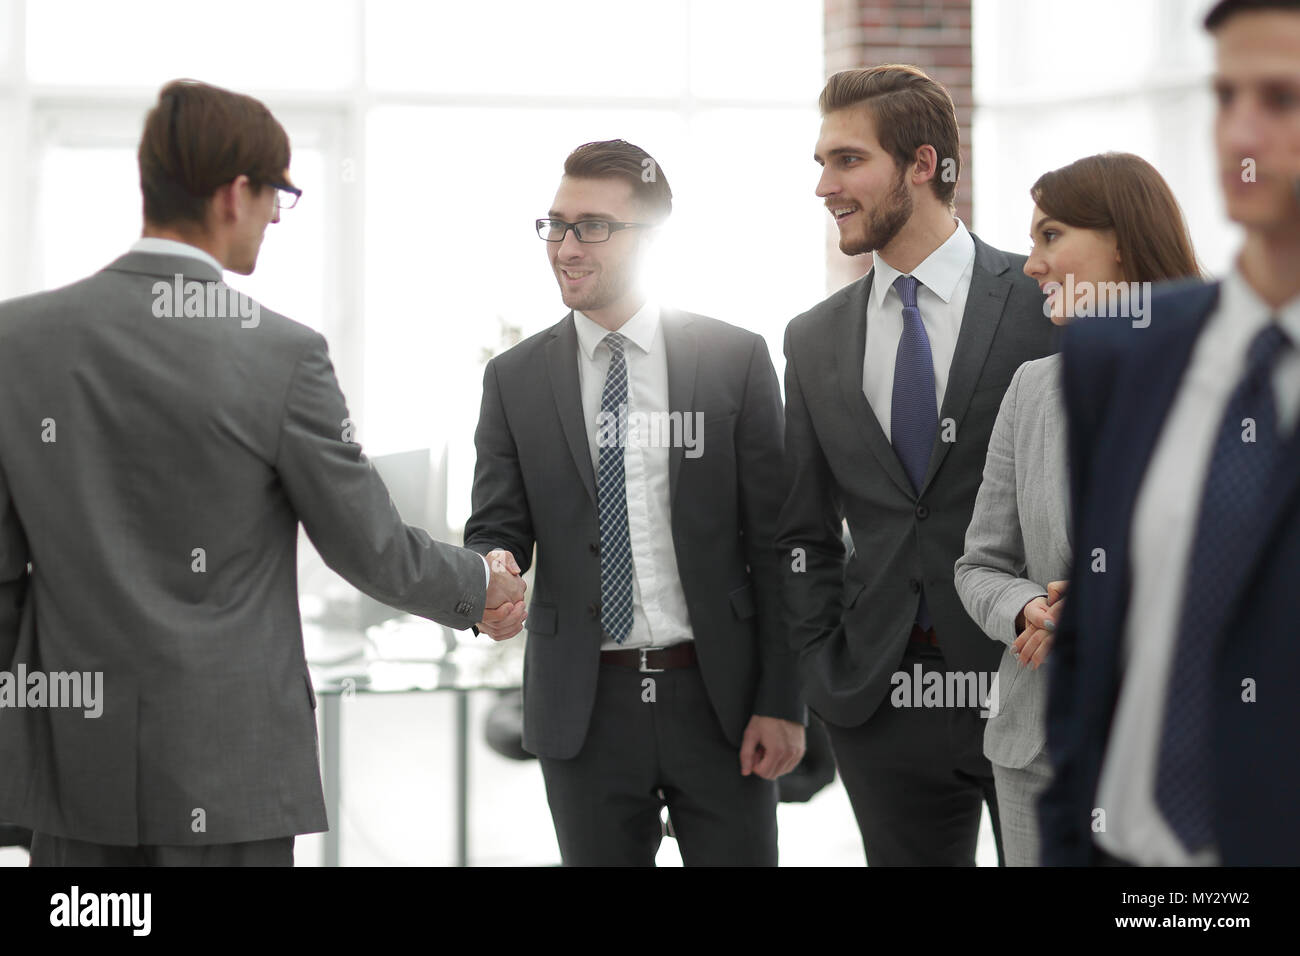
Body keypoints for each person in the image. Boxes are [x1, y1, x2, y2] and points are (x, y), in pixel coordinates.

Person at [0, 79, 524, 867]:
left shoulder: (19, 341)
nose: (277, 218)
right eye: (277, 195)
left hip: (75, 773)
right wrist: (480, 588)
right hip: (228, 773)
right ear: (233, 193)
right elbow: (369, 546)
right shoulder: (278, 353)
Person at [465, 139, 805, 866]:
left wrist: (784, 700)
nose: (564, 246)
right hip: (585, 708)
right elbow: (497, 523)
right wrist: (493, 567)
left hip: (720, 700)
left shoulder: (733, 360)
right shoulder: (515, 380)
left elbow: (777, 544)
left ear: (650, 239)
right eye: (555, 224)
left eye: (592, 226)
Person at [776, 64, 1057, 866]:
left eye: (847, 160)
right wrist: (820, 660)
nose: (825, 185)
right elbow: (801, 526)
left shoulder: (1044, 305)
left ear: (922, 164)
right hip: (879, 699)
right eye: (821, 164)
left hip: (1028, 678)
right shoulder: (813, 337)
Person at [1041, 0, 1300, 867]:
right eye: (1226, 96)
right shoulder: (1120, 353)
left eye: (1281, 98)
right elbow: (1094, 639)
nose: (1240, 133)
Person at [954, 152, 1201, 866]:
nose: (1032, 264)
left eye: (1051, 236)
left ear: (1121, 239)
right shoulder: (1033, 389)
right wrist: (1030, 609)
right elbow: (980, 565)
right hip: (1039, 753)